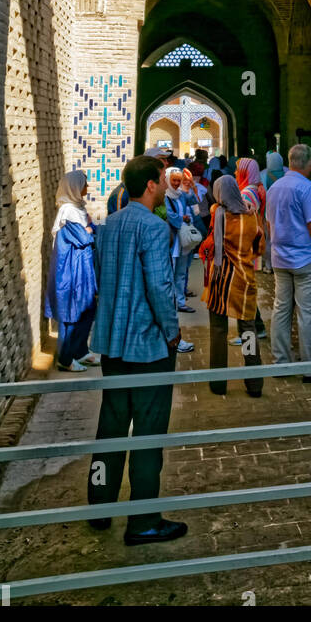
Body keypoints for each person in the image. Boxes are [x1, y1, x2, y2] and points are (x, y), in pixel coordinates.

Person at [87, 155, 186, 546]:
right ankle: (143, 519)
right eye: (161, 180)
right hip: (146, 345)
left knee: (110, 429)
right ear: (150, 185)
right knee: (147, 433)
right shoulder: (154, 228)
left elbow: (105, 277)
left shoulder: (109, 224)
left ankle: (99, 506)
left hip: (112, 342)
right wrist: (172, 332)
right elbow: (160, 288)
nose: (165, 185)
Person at [265, 144, 311, 381]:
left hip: (280, 257)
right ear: (309, 163)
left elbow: (269, 225)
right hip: (305, 258)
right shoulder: (306, 188)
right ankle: (310, 366)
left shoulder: (274, 188)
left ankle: (281, 362)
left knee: (281, 309)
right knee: (306, 312)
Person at [204, 175, 264, 398]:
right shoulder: (251, 217)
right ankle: (254, 382)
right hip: (245, 281)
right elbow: (260, 247)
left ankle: (218, 383)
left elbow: (213, 208)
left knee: (218, 332)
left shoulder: (217, 214)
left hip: (220, 282)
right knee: (248, 332)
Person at [45, 170, 99, 372]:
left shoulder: (78, 208)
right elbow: (84, 238)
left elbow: (90, 231)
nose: (87, 188)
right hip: (71, 271)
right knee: (71, 313)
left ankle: (80, 352)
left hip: (82, 268)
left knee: (87, 309)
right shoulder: (68, 212)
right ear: (75, 187)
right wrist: (90, 231)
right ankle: (65, 359)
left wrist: (90, 230)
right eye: (84, 184)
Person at [235, 156, 268, 336]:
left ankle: (250, 338)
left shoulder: (246, 193)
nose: (234, 173)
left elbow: (245, 224)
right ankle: (254, 332)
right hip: (252, 247)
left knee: (244, 291)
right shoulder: (257, 189)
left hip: (245, 248)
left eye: (238, 169)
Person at [165, 167, 200, 315]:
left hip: (182, 241)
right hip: (171, 240)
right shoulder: (165, 196)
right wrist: (182, 219)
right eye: (174, 180)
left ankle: (180, 302)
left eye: (179, 180)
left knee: (180, 273)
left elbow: (193, 202)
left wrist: (190, 185)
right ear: (167, 179)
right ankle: (169, 303)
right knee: (170, 273)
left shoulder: (180, 195)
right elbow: (169, 216)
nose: (176, 183)